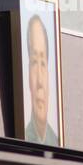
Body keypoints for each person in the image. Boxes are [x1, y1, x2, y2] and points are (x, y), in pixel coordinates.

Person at [24, 12, 59, 145]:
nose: (39, 82)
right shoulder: (25, 137)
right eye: (34, 62)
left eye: (43, 64)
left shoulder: (56, 141)